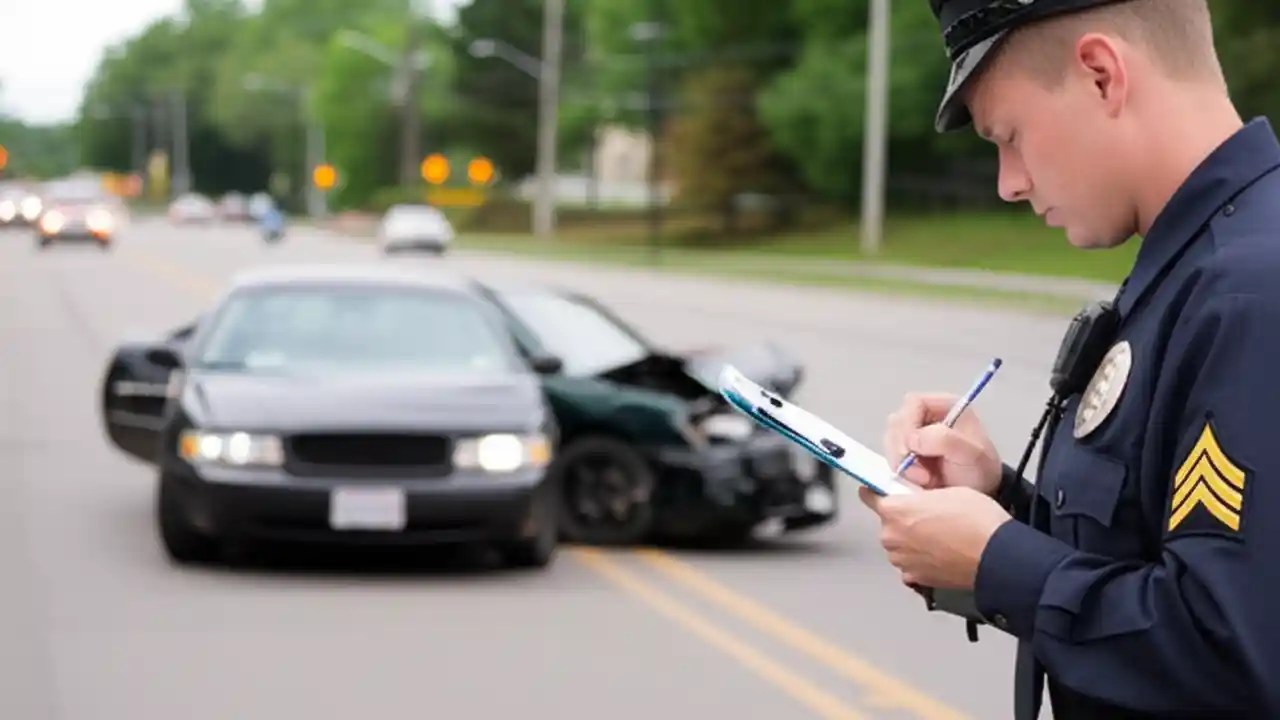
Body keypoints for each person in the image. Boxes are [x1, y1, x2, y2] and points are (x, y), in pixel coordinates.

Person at [860, 0, 1280, 717]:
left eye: (1010, 136)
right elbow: (1151, 557)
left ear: (1099, 75)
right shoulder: (1193, 266)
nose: (1009, 182)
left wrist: (998, 563)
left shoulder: (1251, 290)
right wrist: (996, 502)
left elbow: (1234, 654)